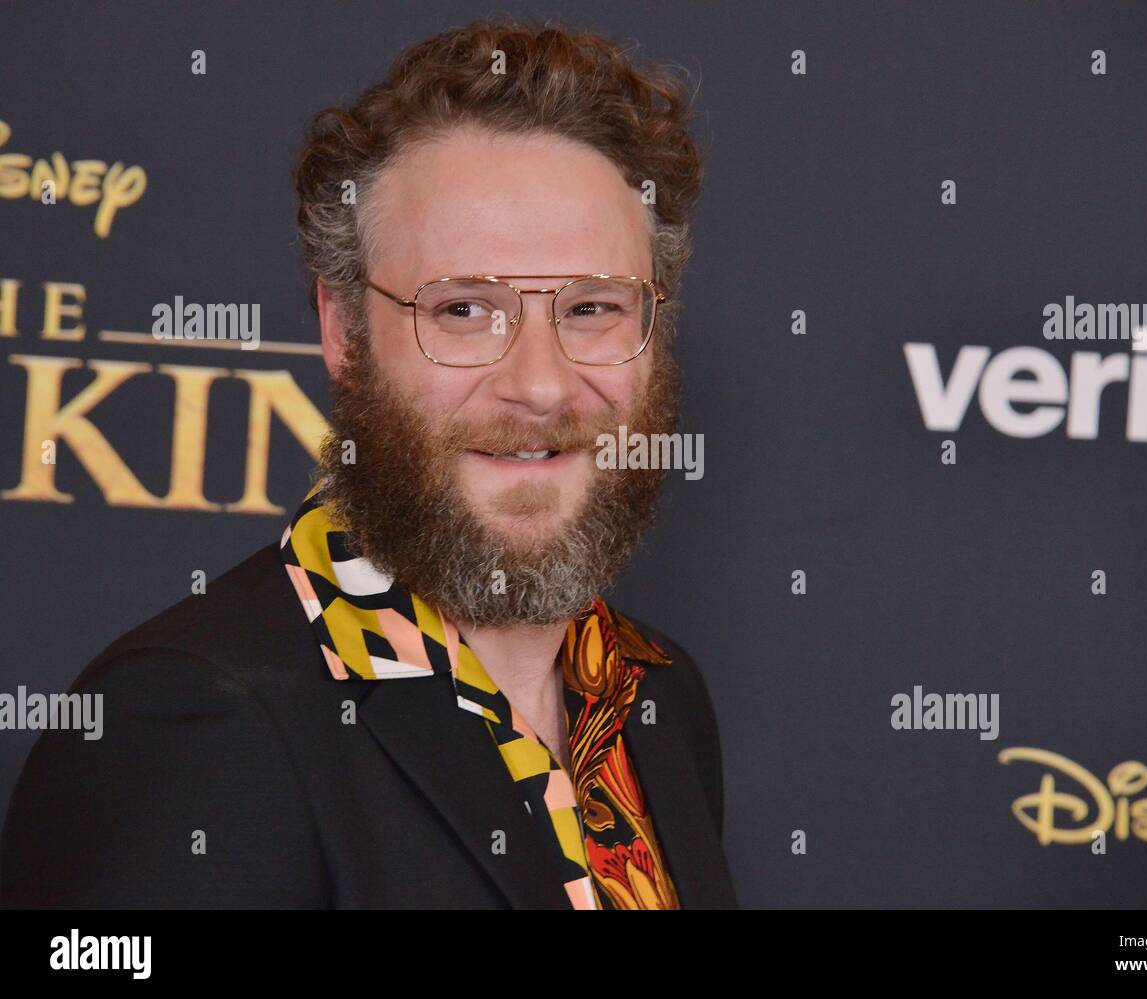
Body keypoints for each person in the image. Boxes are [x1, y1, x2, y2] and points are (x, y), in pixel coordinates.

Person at [0, 16, 736, 910]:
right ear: (343, 332)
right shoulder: (197, 722)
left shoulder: (659, 700)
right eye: (464, 310)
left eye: (592, 309)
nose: (541, 386)